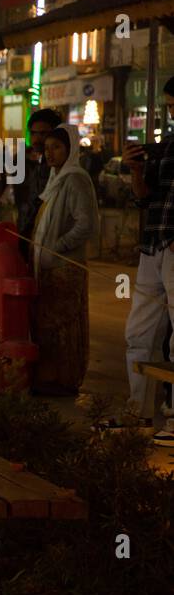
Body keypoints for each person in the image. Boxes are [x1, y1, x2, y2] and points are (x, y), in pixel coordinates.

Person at [123, 76, 174, 443]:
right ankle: (137, 412)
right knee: (139, 332)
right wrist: (137, 170)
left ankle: (172, 419)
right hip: (154, 244)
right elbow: (144, 198)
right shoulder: (165, 146)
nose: (173, 112)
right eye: (170, 106)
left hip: (171, 245)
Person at [30, 125, 99, 396]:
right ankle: (51, 377)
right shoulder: (56, 179)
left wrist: (56, 248)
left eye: (56, 147)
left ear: (70, 149)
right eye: (47, 149)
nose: (50, 154)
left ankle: (63, 381)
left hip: (64, 266)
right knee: (47, 324)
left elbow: (87, 225)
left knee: (64, 325)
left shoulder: (75, 179)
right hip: (49, 265)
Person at [16, 108, 61, 260]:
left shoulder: (62, 170)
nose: (36, 139)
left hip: (50, 248)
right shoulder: (39, 164)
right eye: (33, 133)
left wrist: (57, 246)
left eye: (43, 134)